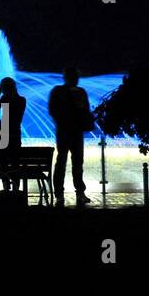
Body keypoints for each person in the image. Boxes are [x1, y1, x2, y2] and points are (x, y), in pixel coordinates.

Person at [47, 68, 93, 206]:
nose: (76, 79)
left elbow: (85, 110)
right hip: (67, 131)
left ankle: (73, 193)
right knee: (67, 162)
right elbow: (53, 109)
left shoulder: (78, 92)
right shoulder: (60, 91)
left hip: (71, 131)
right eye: (74, 76)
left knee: (73, 162)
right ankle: (65, 193)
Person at [0, 76, 26, 192]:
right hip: (13, 135)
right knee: (14, 163)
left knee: (4, 162)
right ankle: (15, 189)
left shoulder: (12, 100)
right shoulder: (21, 100)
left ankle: (6, 188)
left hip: (4, 134)